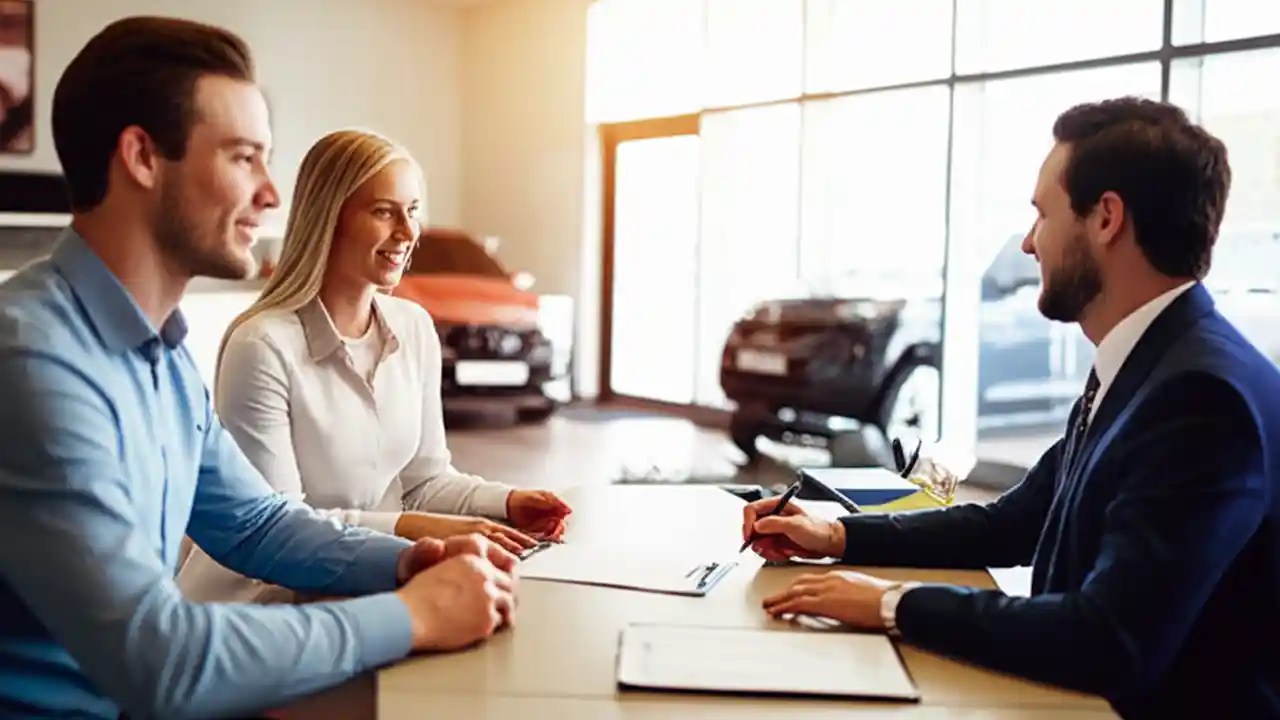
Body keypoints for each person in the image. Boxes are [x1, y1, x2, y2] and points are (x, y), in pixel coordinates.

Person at [0, 16, 518, 719]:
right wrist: (413, 616)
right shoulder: (35, 364)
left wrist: (406, 562)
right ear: (142, 158)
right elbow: (162, 662)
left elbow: (256, 525)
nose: (273, 196)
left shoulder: (162, 355)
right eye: (244, 158)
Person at [743, 97, 1279, 719]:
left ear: (1106, 218)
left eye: (1042, 214)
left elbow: (1110, 639)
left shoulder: (1201, 397)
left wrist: (890, 604)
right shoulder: (1154, 358)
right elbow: (1016, 522)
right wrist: (835, 534)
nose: (1028, 244)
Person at [176, 128, 572, 603]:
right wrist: (426, 531)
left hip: (369, 580)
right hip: (256, 600)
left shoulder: (414, 327)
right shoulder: (262, 346)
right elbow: (277, 529)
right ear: (329, 219)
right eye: (384, 212)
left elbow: (424, 480)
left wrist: (506, 503)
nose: (407, 233)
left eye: (413, 211)